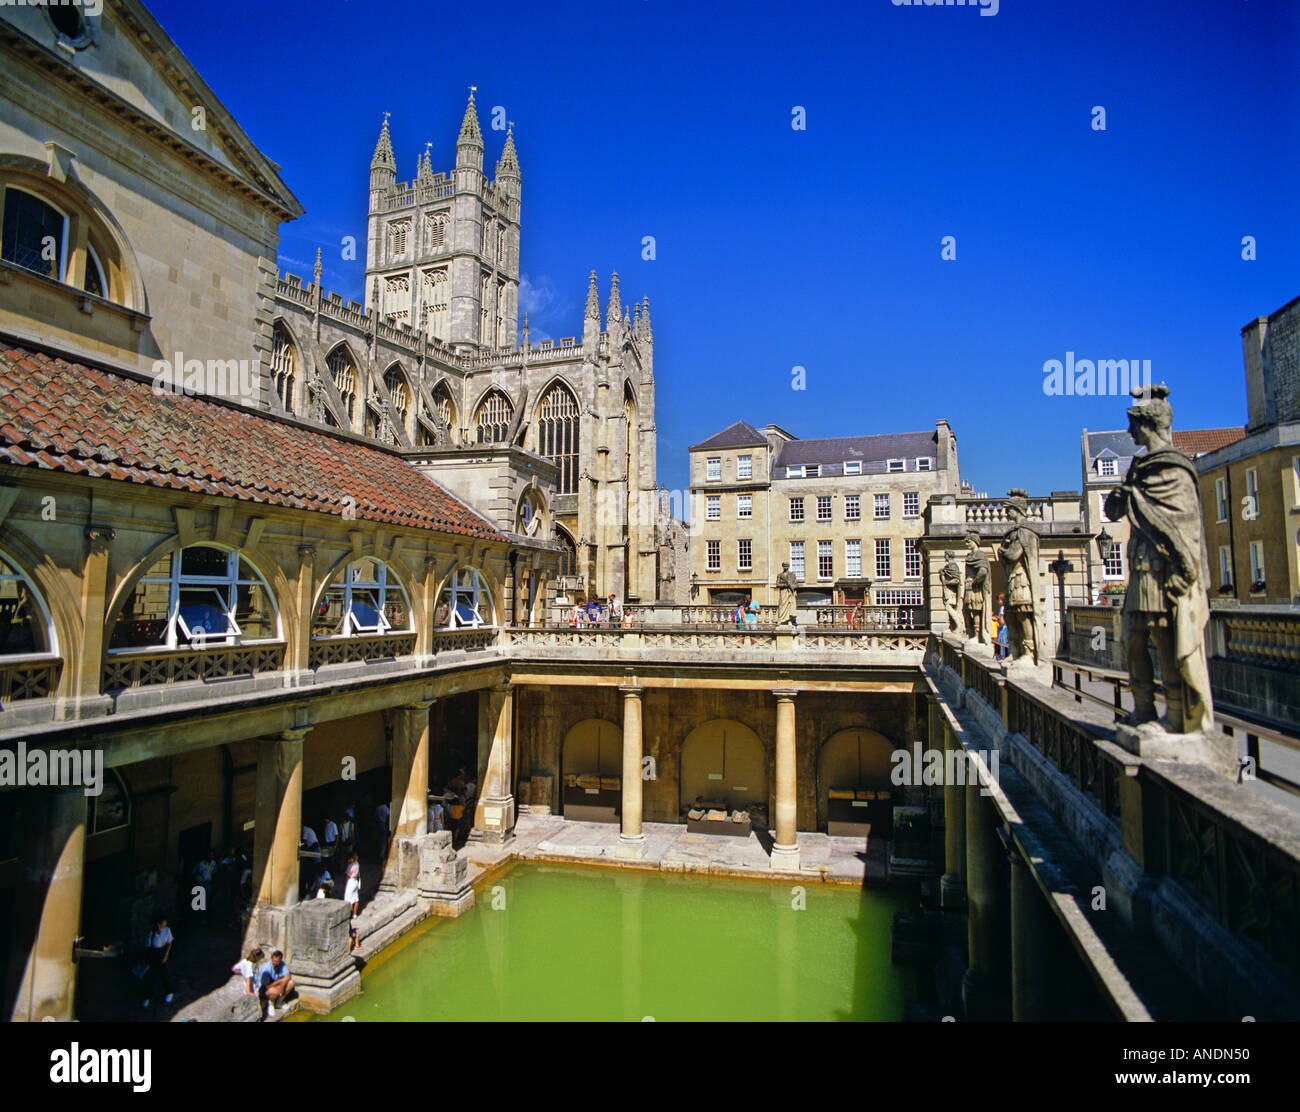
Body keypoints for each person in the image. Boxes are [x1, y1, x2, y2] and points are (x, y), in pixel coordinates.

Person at [142, 914, 174, 1008]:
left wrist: (166, 956)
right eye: (164, 921)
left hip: (162, 953)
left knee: (165, 974)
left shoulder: (167, 930)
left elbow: (169, 942)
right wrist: (144, 959)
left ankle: (169, 992)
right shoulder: (151, 933)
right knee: (151, 976)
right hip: (153, 955)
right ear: (159, 923)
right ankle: (147, 997)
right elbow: (147, 948)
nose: (165, 923)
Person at [259, 950, 294, 1017]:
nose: (275, 963)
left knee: (291, 983)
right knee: (274, 991)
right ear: (271, 958)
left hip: (276, 985)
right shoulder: (266, 968)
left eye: (277, 961)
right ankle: (271, 1004)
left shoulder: (281, 964)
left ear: (280, 960)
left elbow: (288, 976)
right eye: (273, 961)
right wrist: (279, 982)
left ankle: (279, 1002)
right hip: (265, 989)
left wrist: (283, 985)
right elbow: (266, 986)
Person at [994, 593, 1009, 660]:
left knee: (1001, 643)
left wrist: (996, 619)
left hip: (1003, 628)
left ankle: (1001, 657)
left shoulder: (1002, 608)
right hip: (1006, 628)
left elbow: (1002, 621)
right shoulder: (1005, 607)